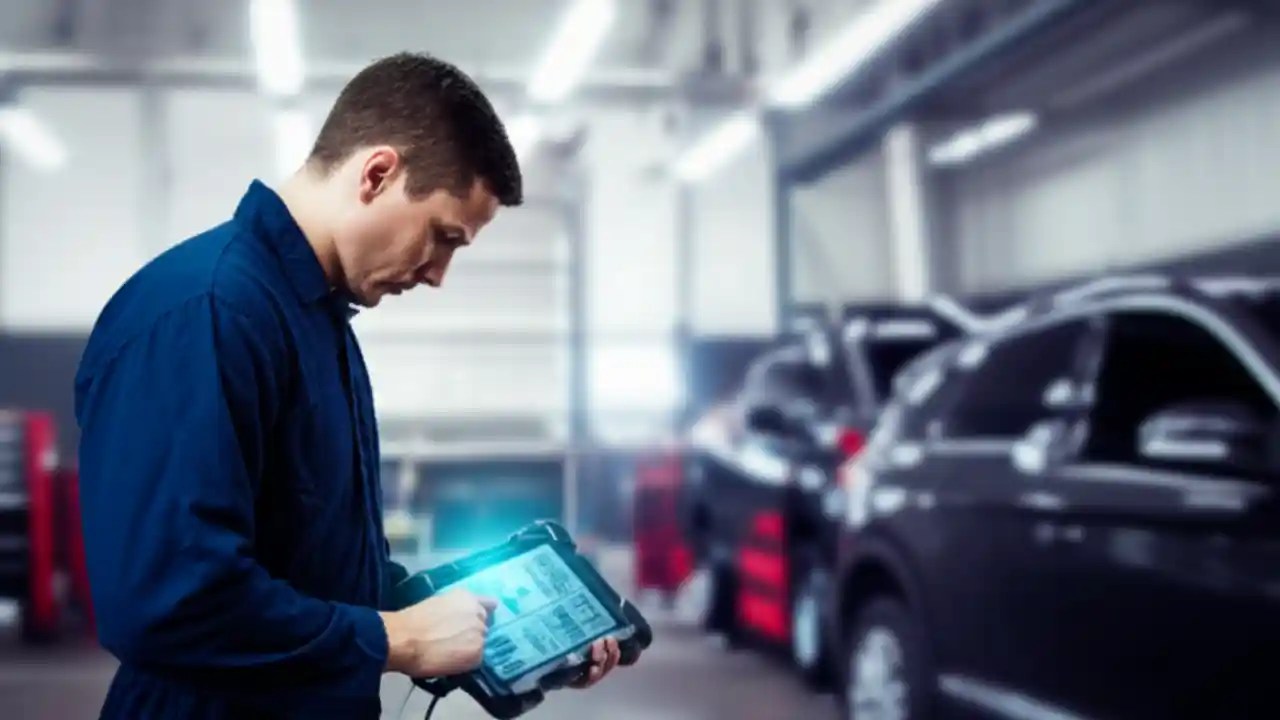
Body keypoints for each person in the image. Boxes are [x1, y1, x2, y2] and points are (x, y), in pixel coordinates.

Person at [74, 52, 625, 719]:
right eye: (442, 236)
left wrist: (502, 636)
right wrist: (398, 638)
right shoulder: (209, 312)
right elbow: (168, 600)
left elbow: (315, 574)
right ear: (377, 173)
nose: (438, 274)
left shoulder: (316, 321)